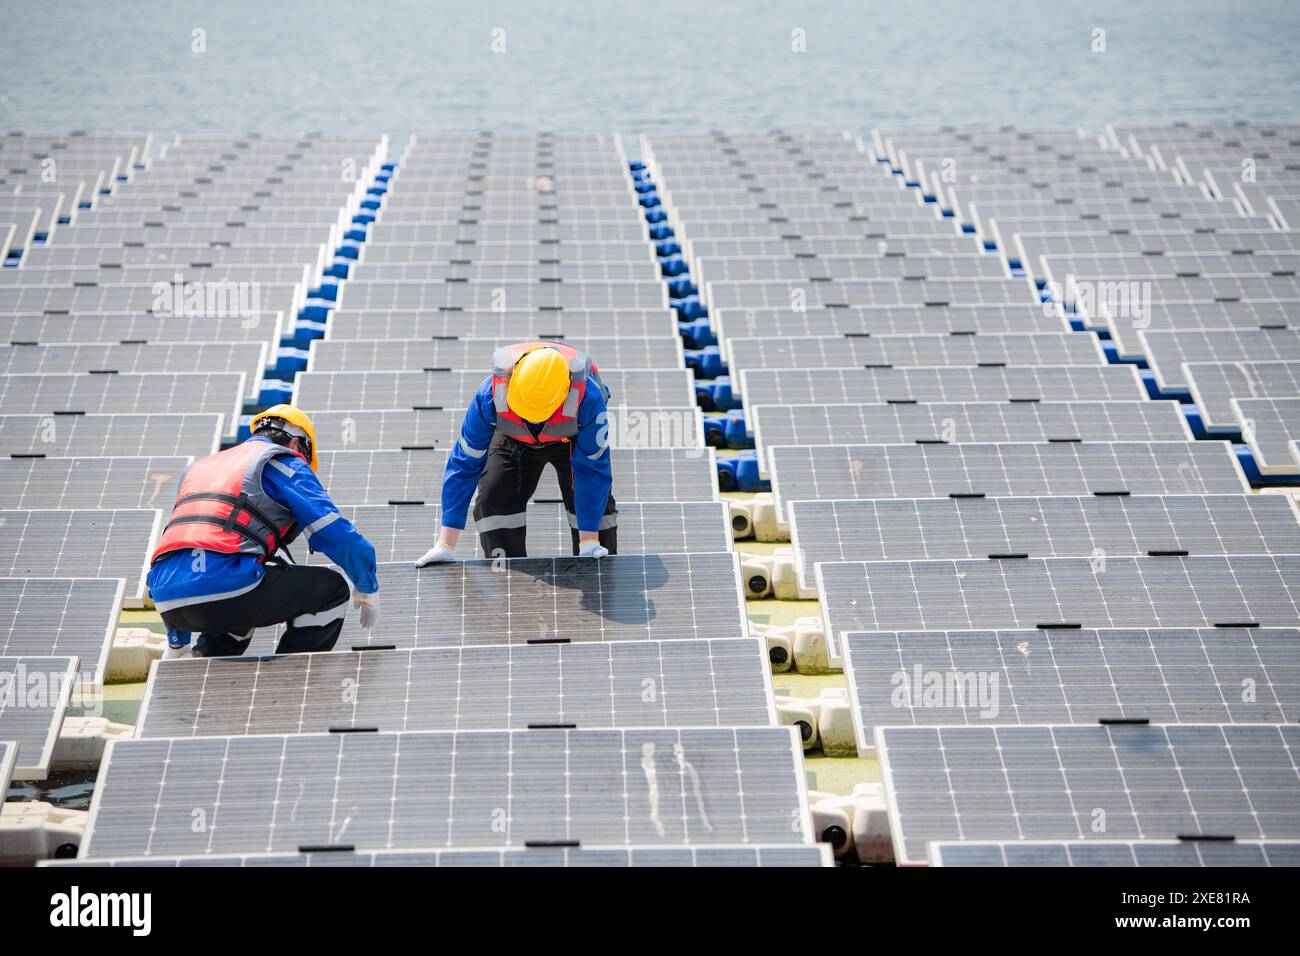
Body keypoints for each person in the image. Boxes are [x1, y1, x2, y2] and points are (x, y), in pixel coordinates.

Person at [147, 404, 379, 659]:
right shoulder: (282, 461)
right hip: (226, 585)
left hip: (165, 597)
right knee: (330, 590)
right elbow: (336, 533)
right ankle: (290, 682)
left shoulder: (201, 467)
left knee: (237, 600)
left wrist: (176, 643)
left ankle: (206, 660)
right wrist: (366, 585)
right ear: (296, 444)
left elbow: (182, 544)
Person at [416, 342, 617, 564]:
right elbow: (465, 463)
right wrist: (446, 544)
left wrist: (588, 541)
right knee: (494, 497)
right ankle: (509, 583)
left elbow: (592, 469)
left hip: (570, 437)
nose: (534, 419)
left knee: (597, 508)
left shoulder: (588, 399)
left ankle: (595, 562)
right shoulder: (489, 395)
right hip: (513, 436)